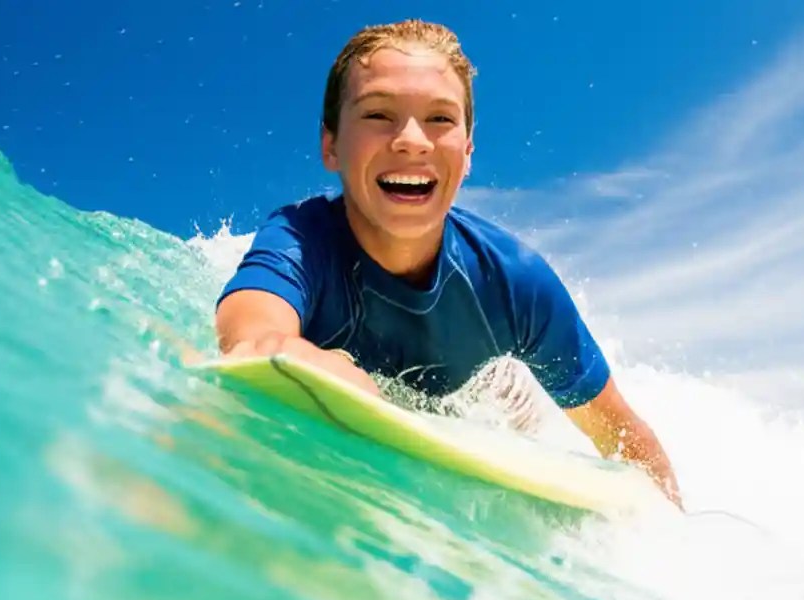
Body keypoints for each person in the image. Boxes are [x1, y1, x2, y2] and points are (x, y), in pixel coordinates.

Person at [214, 19, 682, 507]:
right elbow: (252, 335)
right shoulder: (300, 238)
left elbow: (625, 439)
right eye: (378, 114)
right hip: (377, 386)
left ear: (469, 151)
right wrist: (315, 363)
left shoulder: (515, 283)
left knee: (514, 409)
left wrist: (669, 538)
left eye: (440, 119)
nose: (412, 140)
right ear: (330, 145)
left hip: (490, 399)